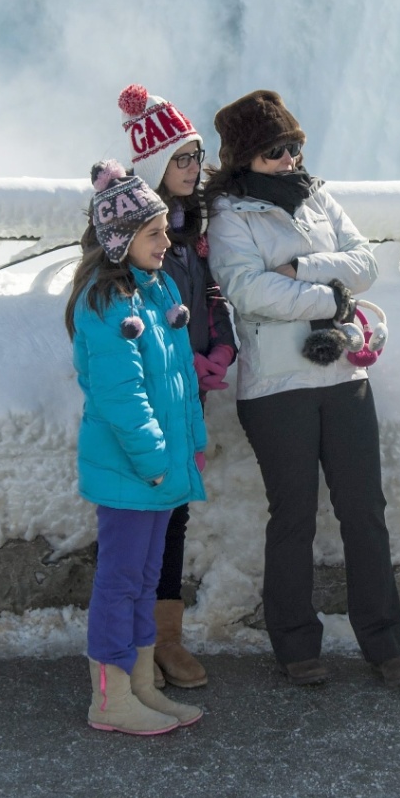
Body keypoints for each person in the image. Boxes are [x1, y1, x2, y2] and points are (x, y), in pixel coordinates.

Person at [205, 89, 400, 689]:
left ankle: (383, 641)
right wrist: (331, 296)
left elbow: (365, 262)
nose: (291, 158)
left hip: (345, 375)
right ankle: (295, 644)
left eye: (295, 145)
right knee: (293, 517)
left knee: (364, 512)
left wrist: (300, 272)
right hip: (275, 389)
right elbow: (249, 292)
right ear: (246, 157)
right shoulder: (230, 216)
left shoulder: (318, 194)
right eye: (276, 150)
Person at [65, 159, 210, 735]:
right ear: (122, 242)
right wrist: (156, 462)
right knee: (120, 583)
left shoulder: (158, 288)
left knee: (146, 583)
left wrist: (191, 445)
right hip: (133, 471)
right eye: (153, 233)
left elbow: (179, 383)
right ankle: (110, 698)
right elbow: (124, 398)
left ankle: (142, 684)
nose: (166, 240)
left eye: (164, 229)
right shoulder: (107, 304)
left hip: (160, 469)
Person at [117, 84, 236, 689]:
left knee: (176, 513)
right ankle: (136, 644)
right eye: (182, 160)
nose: (195, 169)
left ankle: (166, 639)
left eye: (197, 157)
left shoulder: (193, 225)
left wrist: (221, 347)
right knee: (143, 513)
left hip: (190, 392)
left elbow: (208, 293)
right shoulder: (133, 234)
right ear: (154, 168)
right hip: (151, 390)